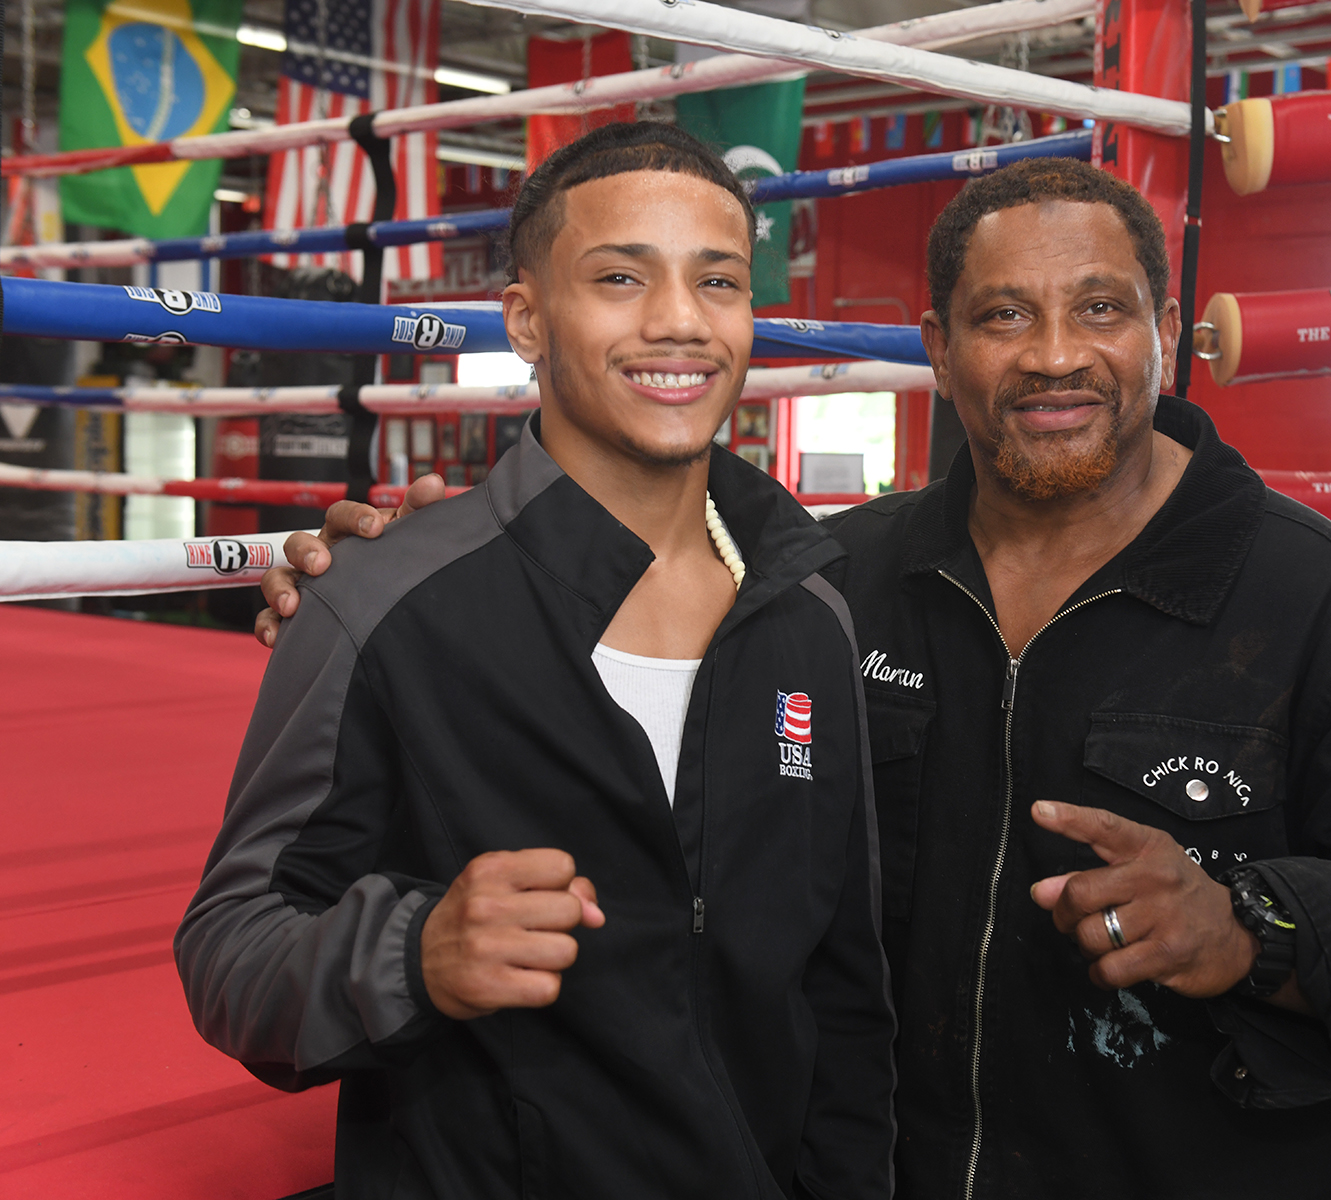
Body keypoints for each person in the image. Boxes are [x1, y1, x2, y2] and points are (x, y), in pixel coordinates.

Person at [259, 155, 1331, 1199]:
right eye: (1001, 315)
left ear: (1162, 331)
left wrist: (1256, 926)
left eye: (1100, 309)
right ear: (937, 343)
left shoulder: (1319, 603)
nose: (1053, 356)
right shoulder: (833, 582)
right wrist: (440, 560)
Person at [177, 123, 896, 1200]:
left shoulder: (809, 610)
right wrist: (411, 955)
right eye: (619, 277)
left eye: (719, 281)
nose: (679, 322)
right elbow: (229, 951)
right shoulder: (384, 600)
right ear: (527, 319)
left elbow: (844, 991)